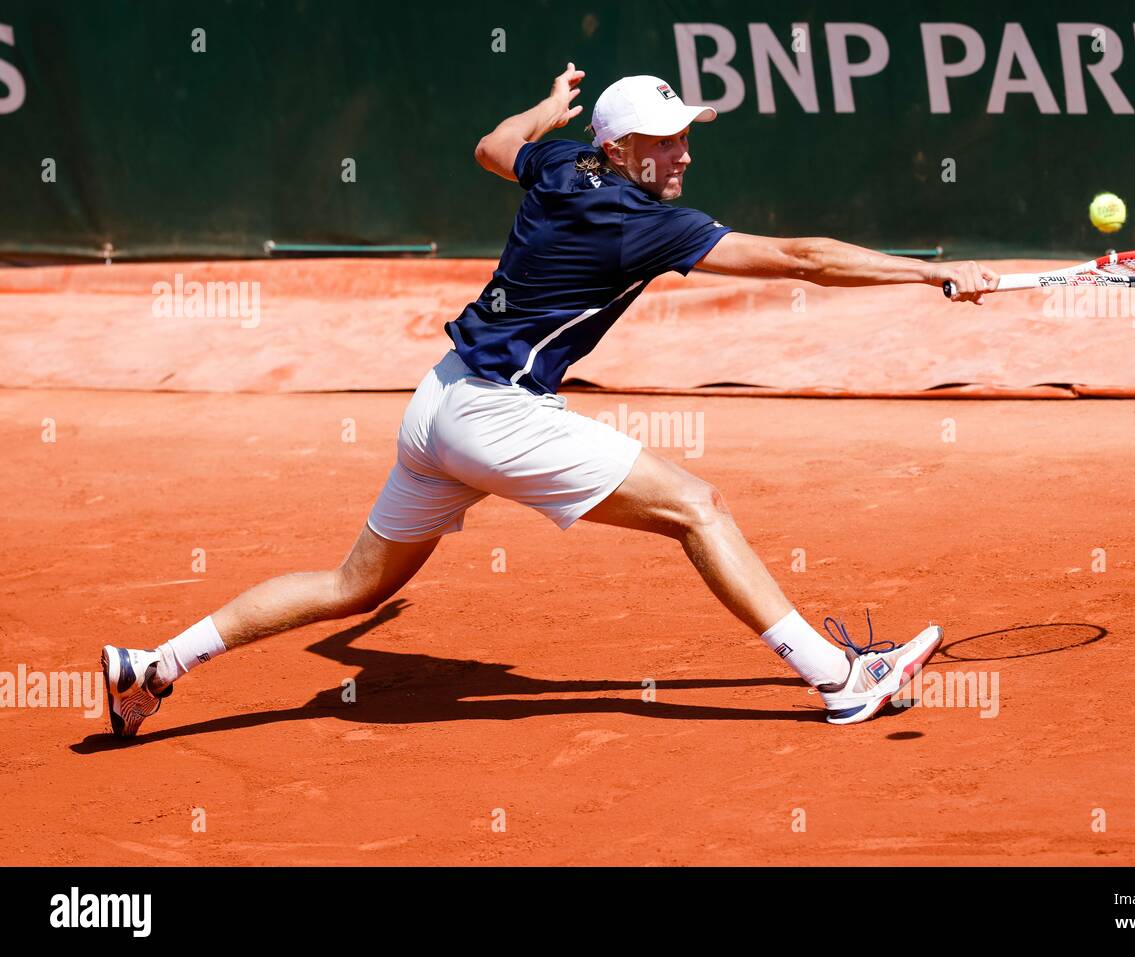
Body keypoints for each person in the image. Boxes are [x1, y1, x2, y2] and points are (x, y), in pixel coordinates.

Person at [102, 64, 999, 738]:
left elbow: (494, 148)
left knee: (351, 591)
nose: (683, 152)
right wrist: (931, 275)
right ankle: (841, 682)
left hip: (437, 404)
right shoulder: (646, 222)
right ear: (620, 150)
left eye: (687, 134)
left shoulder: (564, 166)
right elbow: (802, 258)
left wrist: (548, 103)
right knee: (698, 507)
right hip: (495, 416)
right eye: (665, 140)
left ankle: (153, 665)